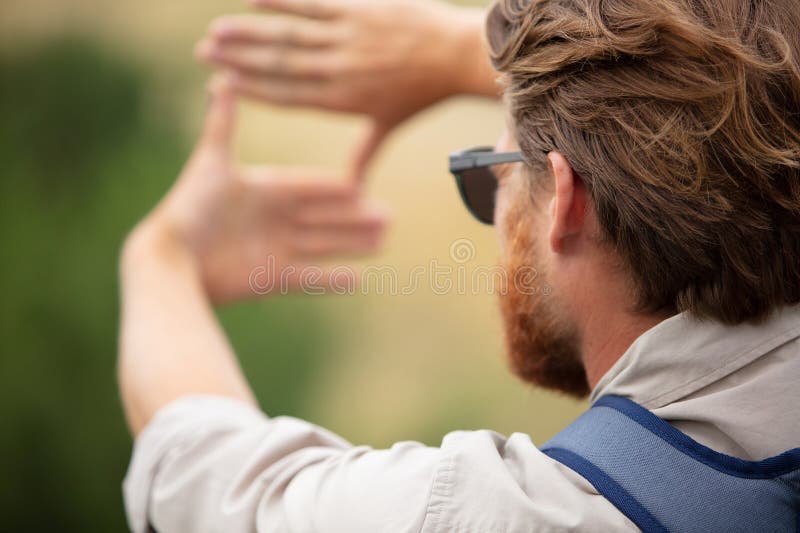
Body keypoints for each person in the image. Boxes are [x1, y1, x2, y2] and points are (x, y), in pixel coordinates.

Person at [120, 0, 800, 531]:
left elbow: (215, 480)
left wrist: (163, 256)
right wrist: (455, 51)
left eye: (488, 174)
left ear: (564, 200)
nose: (495, 211)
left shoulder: (531, 514)